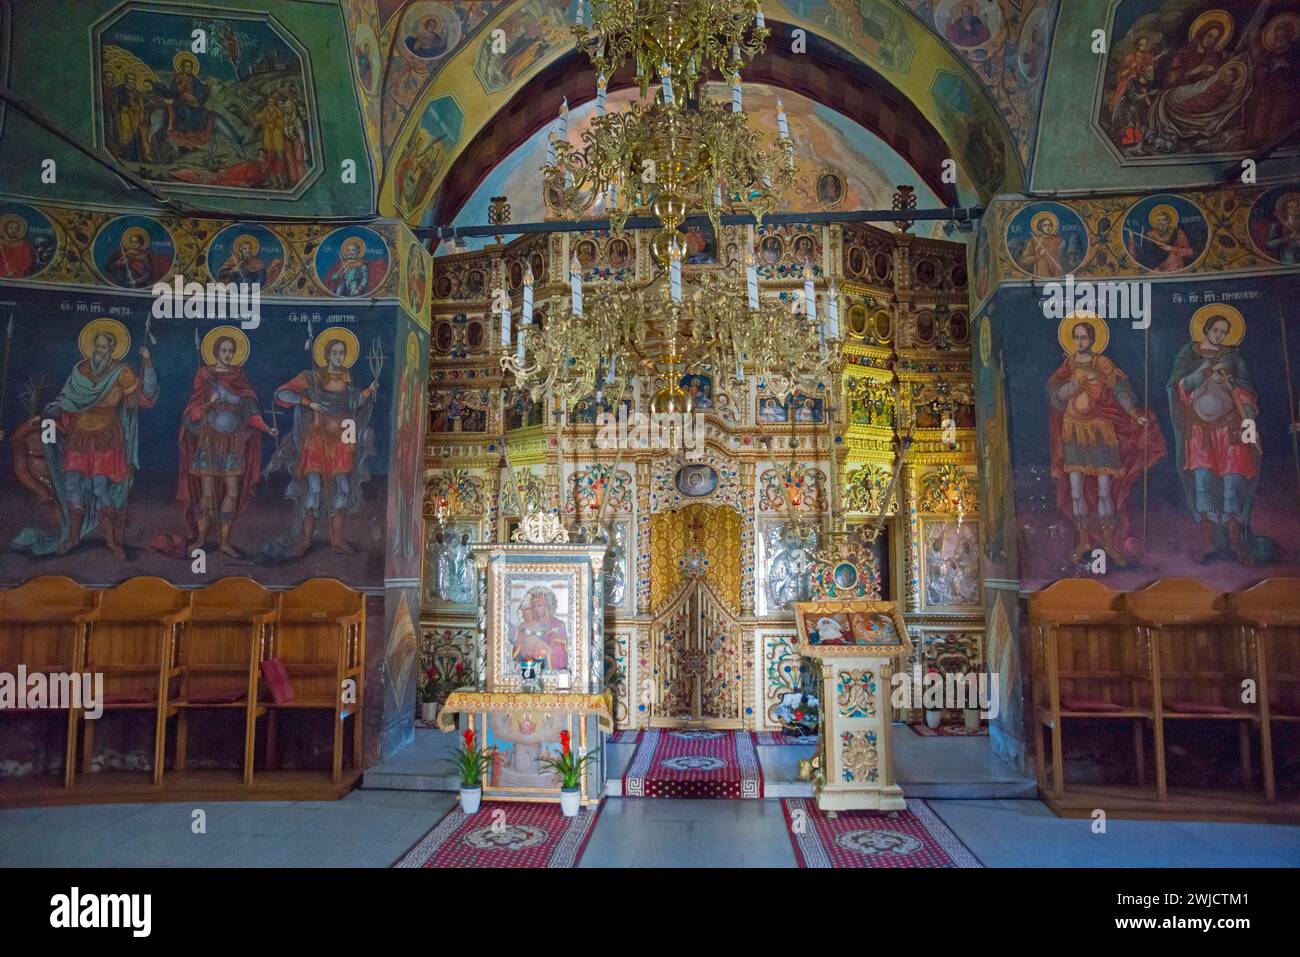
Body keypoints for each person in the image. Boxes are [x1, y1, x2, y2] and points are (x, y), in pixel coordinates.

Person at [12, 319, 157, 559]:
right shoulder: (80, 371)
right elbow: (66, 400)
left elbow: (145, 397)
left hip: (106, 438)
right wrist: (50, 411)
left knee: (100, 488)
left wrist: (148, 363)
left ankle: (111, 541)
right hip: (79, 437)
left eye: (105, 347)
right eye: (97, 346)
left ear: (113, 349)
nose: (100, 351)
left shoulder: (122, 373)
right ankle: (72, 538)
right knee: (72, 486)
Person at [1047, 315, 1166, 566]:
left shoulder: (1103, 364)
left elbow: (1121, 389)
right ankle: (1083, 541)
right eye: (1076, 337)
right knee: (1076, 491)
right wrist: (1071, 386)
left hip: (1100, 431)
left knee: (1104, 492)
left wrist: (1133, 413)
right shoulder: (1067, 366)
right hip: (1073, 431)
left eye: (1084, 337)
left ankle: (1109, 543)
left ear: (1092, 340)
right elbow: (1056, 395)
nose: (1080, 342)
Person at [1167, 307, 1274, 564]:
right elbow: (1178, 388)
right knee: (1202, 482)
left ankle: (1236, 544)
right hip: (1199, 432)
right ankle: (1209, 543)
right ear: (1205, 329)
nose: (1219, 335)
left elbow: (1245, 391)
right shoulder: (1188, 355)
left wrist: (1248, 418)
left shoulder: (1233, 358)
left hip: (1230, 430)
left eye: (1224, 332)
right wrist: (1204, 371)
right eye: (1216, 330)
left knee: (1232, 483)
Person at [271, 329, 378, 556]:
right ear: (327, 355)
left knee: (344, 487)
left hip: (341, 440)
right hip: (317, 439)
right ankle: (306, 539)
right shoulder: (313, 377)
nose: (339, 357)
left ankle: (336, 539)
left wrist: (368, 392)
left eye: (343, 353)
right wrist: (308, 402)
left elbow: (353, 404)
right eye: (336, 352)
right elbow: (281, 394)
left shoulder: (348, 383)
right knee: (315, 489)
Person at [178, 328, 276, 558]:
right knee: (208, 492)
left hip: (234, 442)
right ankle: (201, 538)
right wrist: (209, 405)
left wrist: (266, 427)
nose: (227, 354)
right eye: (223, 350)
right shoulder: (205, 377)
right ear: (215, 351)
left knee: (232, 491)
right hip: (210, 440)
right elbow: (193, 413)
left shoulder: (239, 378)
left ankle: (224, 540)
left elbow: (251, 412)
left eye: (231, 351)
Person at [1127, 204, 1194, 272]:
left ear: (1168, 221)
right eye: (1159, 220)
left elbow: (1189, 252)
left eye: (1163, 220)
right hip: (1155, 270)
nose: (1160, 222)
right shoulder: (1149, 234)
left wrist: (1171, 249)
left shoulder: (1176, 232)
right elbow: (1135, 255)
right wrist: (1131, 237)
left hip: (1173, 269)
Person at [0, 214, 36, 278]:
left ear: (18, 231)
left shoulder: (24, 245)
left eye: (16, 229)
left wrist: (15, 269)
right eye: (10, 228)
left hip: (16, 275)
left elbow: (27, 261)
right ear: (5, 228)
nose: (13, 231)